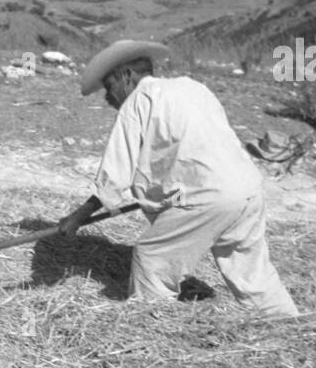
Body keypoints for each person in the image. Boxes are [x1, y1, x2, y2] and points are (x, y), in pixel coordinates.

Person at [58, 39, 299, 318]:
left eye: (109, 87)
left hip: (207, 195)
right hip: (247, 187)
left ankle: (152, 329)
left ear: (127, 76)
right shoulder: (193, 87)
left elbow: (115, 173)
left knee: (151, 259)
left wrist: (77, 217)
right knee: (251, 271)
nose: (108, 97)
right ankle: (288, 324)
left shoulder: (138, 100)